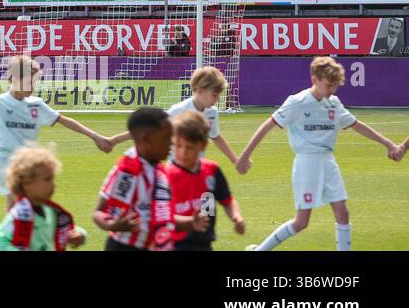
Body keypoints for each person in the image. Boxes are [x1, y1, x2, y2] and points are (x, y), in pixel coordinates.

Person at [238, 56, 402, 251]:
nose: (331, 89)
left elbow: (357, 125)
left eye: (335, 85)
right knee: (301, 222)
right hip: (307, 164)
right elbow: (268, 125)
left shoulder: (334, 103)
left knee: (342, 213)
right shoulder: (297, 102)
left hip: (328, 162)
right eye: (328, 85)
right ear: (314, 79)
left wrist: (388, 144)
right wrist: (245, 155)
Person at [0, 55, 113, 208]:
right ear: (15, 79)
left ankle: (17, 230)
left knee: (21, 209)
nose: (33, 87)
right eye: (29, 82)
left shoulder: (36, 104)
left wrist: (95, 137)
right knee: (20, 207)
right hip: (6, 162)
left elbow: (64, 120)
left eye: (35, 82)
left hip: (29, 164)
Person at [93, 107, 207, 251]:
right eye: (166, 137)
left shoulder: (159, 170)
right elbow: (99, 212)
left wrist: (190, 222)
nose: (171, 142)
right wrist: (111, 224)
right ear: (147, 139)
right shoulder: (129, 173)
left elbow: (160, 217)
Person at [107, 66, 239, 167]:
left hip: (197, 168)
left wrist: (235, 160)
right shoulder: (180, 109)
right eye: (214, 95)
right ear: (199, 91)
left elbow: (216, 137)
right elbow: (150, 128)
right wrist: (114, 140)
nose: (217, 100)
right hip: (176, 167)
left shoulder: (212, 113)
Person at [167, 111, 246, 251]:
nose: (183, 152)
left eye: (189, 147)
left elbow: (227, 200)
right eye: (178, 146)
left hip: (204, 244)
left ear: (203, 145)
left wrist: (236, 217)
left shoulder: (212, 171)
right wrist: (190, 222)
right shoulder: (165, 176)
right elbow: (159, 216)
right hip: (173, 245)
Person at [0, 145, 86, 251]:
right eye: (47, 179)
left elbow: (59, 228)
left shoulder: (51, 211)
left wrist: (79, 235)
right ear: (27, 183)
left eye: (53, 179)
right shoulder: (20, 215)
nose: (53, 184)